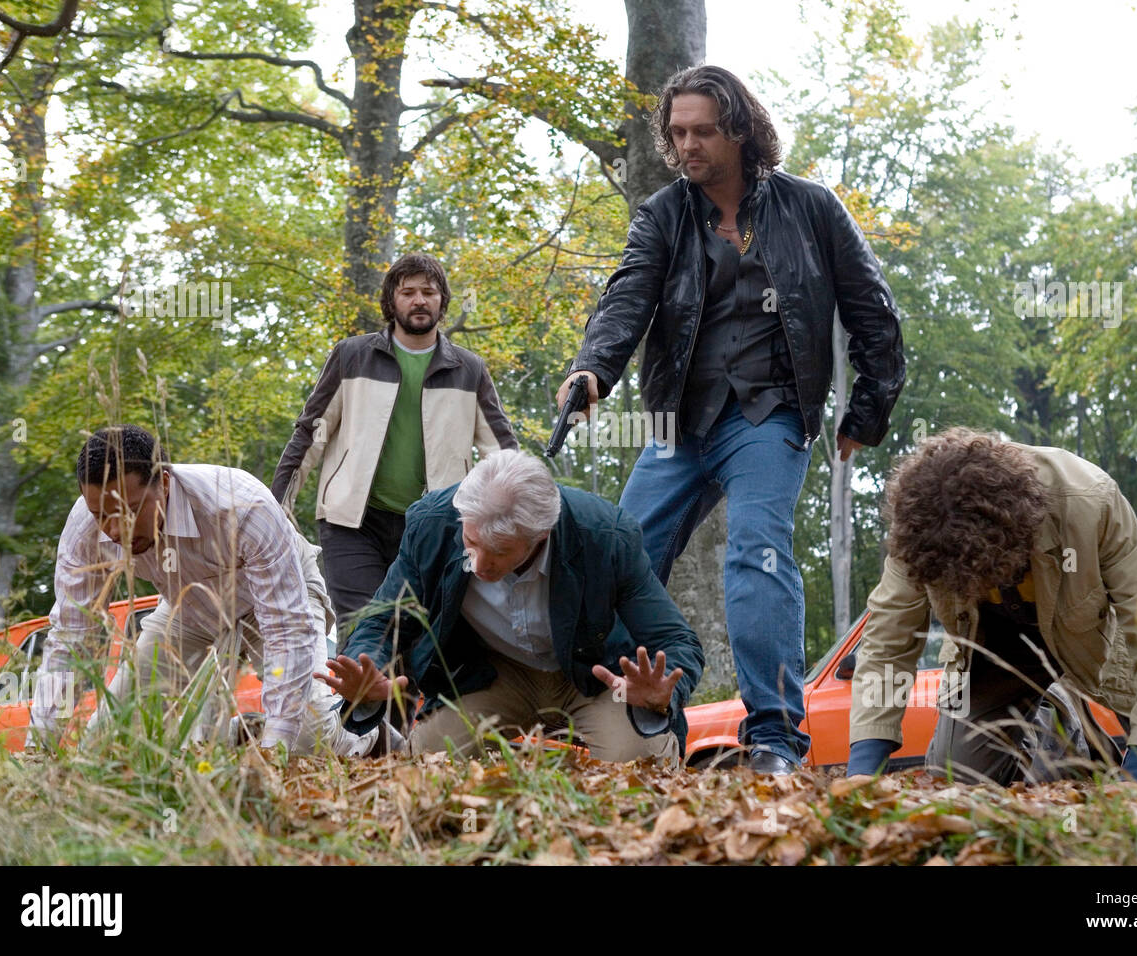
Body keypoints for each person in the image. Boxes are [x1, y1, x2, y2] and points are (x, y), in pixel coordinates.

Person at [554, 65, 905, 773]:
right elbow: (626, 298)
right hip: (675, 421)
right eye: (677, 132)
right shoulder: (663, 215)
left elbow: (875, 313)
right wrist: (594, 367)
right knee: (619, 552)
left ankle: (775, 736)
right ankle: (624, 722)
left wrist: (866, 410)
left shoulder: (812, 208)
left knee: (756, 550)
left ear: (740, 130)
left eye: (703, 131)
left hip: (769, 414)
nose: (687, 144)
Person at [846, 427, 1137, 789]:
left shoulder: (1088, 499)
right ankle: (1060, 719)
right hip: (995, 646)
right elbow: (886, 646)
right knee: (960, 779)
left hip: (1096, 635)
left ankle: (1078, 716)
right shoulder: (920, 529)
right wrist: (863, 771)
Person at [317, 449, 705, 763]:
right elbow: (385, 618)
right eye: (471, 541)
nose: (480, 564)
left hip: (595, 677)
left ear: (540, 534)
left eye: (500, 551)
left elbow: (676, 640)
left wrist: (664, 691)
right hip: (491, 673)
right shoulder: (432, 526)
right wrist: (367, 668)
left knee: (637, 764)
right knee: (435, 761)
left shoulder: (606, 537)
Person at [29, 425, 387, 756]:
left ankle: (371, 736)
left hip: (275, 602)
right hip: (188, 607)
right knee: (109, 741)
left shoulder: (243, 506)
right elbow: (73, 638)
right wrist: (38, 747)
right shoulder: (85, 530)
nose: (114, 529)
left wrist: (275, 751)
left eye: (131, 510)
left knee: (305, 737)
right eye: (100, 514)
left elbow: (285, 632)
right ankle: (242, 732)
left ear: (164, 483)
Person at [272, 252, 518, 642]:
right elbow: (310, 433)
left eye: (429, 292)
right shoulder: (352, 355)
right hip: (351, 522)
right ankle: (359, 701)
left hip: (436, 525)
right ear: (392, 301)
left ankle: (414, 704)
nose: (419, 300)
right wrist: (277, 504)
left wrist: (523, 516)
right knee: (364, 629)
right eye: (408, 292)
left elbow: (502, 452)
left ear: (442, 302)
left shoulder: (469, 369)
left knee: (423, 636)